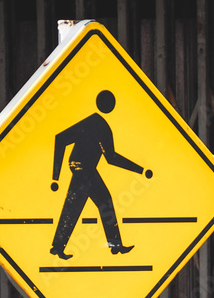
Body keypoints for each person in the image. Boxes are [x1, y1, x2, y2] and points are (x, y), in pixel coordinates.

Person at [49, 89, 153, 259]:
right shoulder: (96, 124)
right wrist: (55, 176)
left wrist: (139, 169)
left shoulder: (98, 124)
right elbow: (60, 139)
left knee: (91, 202)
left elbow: (110, 158)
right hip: (84, 169)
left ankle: (112, 245)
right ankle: (111, 245)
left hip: (82, 168)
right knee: (83, 204)